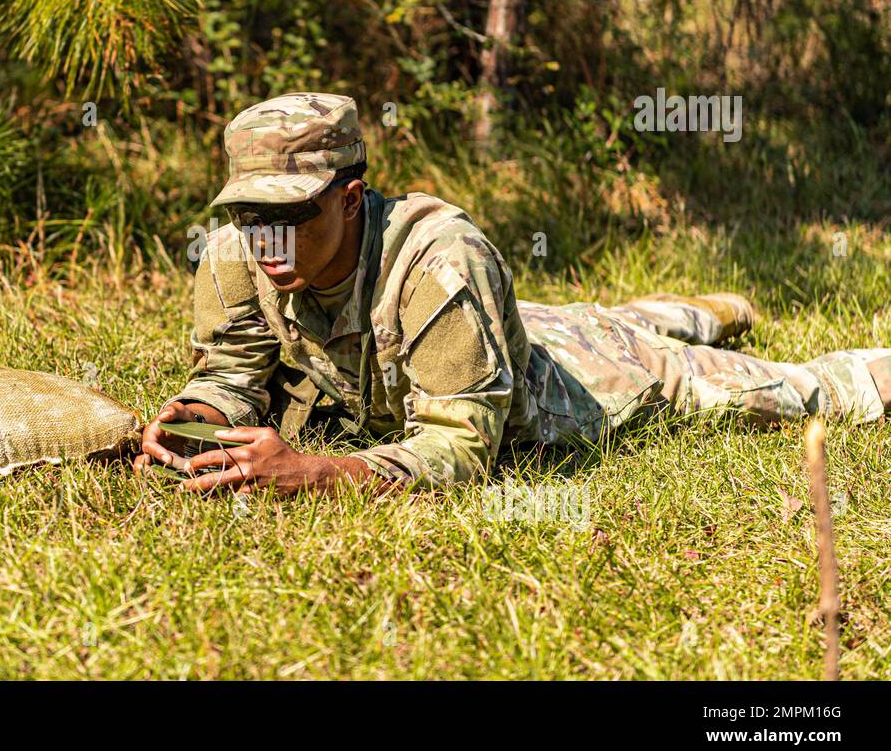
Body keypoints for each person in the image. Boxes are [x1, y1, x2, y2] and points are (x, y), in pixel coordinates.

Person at [134, 93, 891, 494]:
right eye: (248, 215)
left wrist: (314, 472)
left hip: (573, 384)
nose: (266, 240)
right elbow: (233, 371)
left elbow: (462, 447)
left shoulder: (440, 262)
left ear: (352, 197)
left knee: (794, 392)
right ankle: (695, 311)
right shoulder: (240, 249)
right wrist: (198, 420)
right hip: (499, 331)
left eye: (291, 215)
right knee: (586, 320)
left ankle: (690, 331)